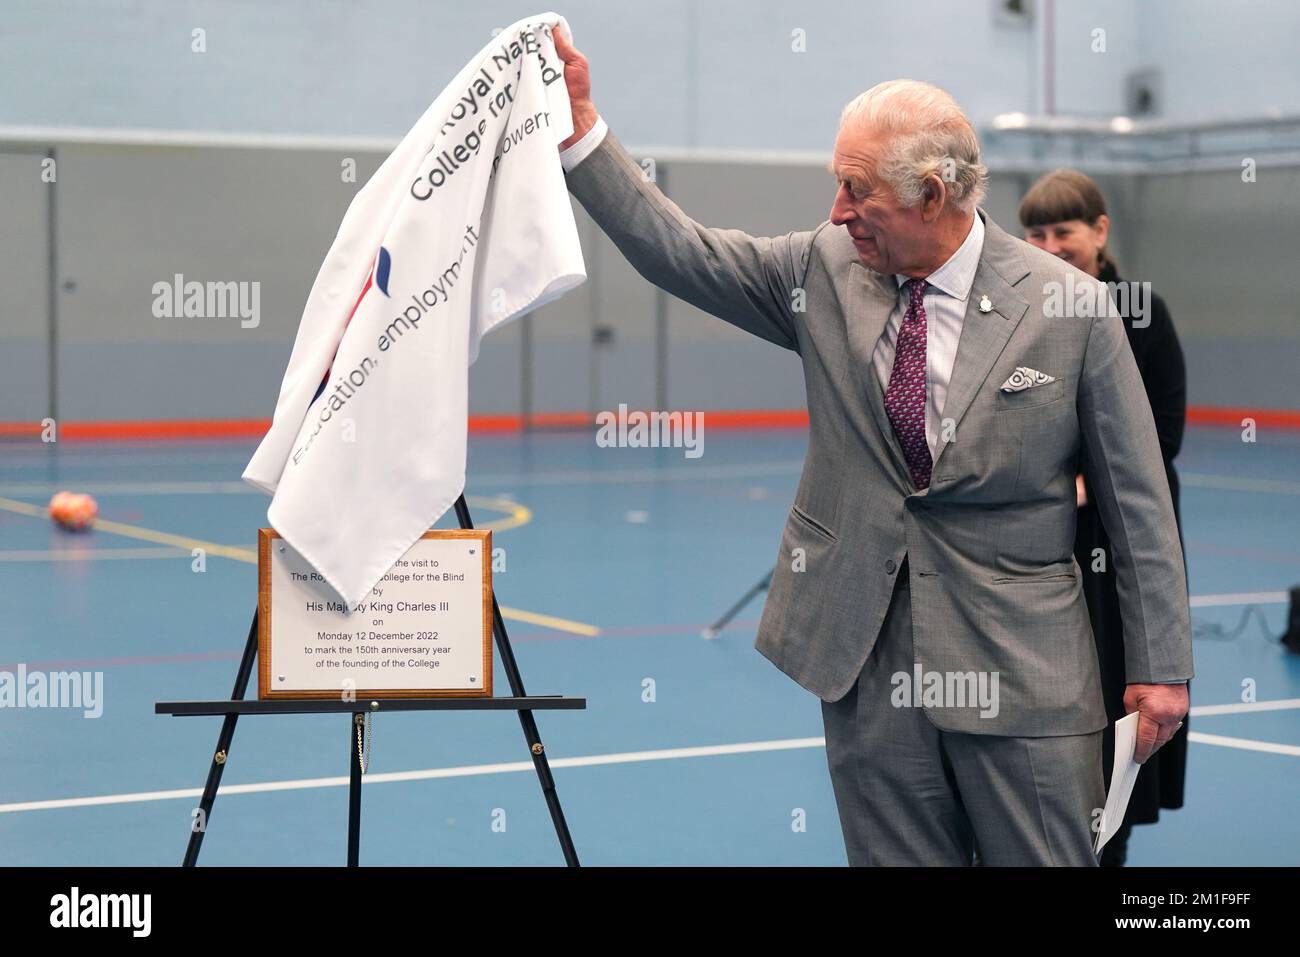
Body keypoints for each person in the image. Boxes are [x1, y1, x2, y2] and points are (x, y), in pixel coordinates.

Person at [553, 26, 1192, 866]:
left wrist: (1161, 665)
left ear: (933, 194)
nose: (838, 210)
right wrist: (584, 135)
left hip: (1022, 669)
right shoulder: (821, 268)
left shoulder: (1069, 308)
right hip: (866, 659)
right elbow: (684, 252)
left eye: (858, 190)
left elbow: (1137, 499)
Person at [1020, 171, 1189, 866]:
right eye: (1036, 234)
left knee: (1116, 699)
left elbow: (1161, 436)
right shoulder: (1024, 310)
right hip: (1048, 539)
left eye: (1065, 232)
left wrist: (1084, 484)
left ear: (1100, 230)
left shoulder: (1140, 311)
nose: (1051, 246)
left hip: (1117, 546)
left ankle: (1109, 838)